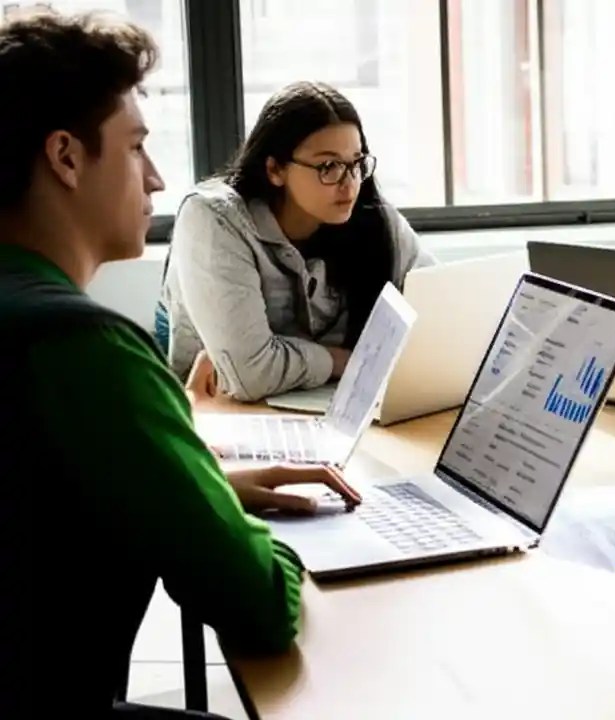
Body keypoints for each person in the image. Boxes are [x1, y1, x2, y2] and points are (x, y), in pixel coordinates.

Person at [0, 11, 359, 717]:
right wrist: (236, 525)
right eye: (136, 148)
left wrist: (200, 486)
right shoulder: (83, 349)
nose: (157, 179)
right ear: (65, 157)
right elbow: (258, 603)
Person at [158, 81, 434, 403]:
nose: (349, 185)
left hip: (325, 404)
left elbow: (440, 308)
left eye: (356, 164)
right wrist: (338, 361)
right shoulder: (213, 219)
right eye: (329, 166)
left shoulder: (373, 219)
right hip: (212, 407)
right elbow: (250, 375)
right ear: (275, 169)